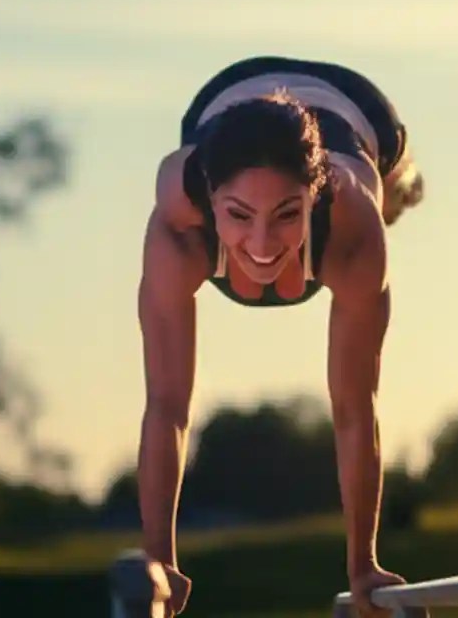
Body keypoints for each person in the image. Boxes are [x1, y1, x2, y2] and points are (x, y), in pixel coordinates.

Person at [136, 55, 425, 617]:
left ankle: (404, 185)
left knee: (396, 196)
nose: (263, 243)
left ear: (314, 197)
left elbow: (353, 409)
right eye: (239, 215)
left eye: (286, 214)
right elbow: (166, 405)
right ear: (210, 201)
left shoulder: (352, 227)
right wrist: (158, 562)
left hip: (356, 111)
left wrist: (363, 564)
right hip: (223, 94)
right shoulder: (179, 226)